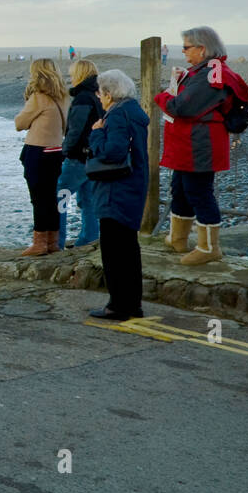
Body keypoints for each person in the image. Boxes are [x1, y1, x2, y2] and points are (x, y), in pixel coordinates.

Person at [154, 26, 248, 266]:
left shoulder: (212, 75)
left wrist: (163, 97)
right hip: (190, 143)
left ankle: (209, 247)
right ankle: (178, 238)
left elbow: (182, 107)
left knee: (198, 191)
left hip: (200, 144)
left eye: (187, 47)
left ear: (203, 48)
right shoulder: (203, 72)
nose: (183, 51)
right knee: (180, 188)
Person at [86, 70, 150, 319]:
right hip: (132, 186)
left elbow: (112, 152)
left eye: (100, 93)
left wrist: (96, 132)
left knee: (114, 250)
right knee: (128, 248)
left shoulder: (118, 115)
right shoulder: (133, 111)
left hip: (116, 189)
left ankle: (119, 305)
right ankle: (131, 303)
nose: (99, 97)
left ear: (109, 94)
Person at [14, 58, 70, 255]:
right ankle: (52, 242)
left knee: (38, 198)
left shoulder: (39, 97)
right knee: (50, 198)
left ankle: (39, 243)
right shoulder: (63, 96)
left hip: (38, 151)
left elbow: (19, 123)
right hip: (56, 151)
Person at [57, 59, 103, 249]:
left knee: (59, 196)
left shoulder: (83, 98)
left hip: (78, 158)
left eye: (72, 73)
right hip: (94, 156)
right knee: (89, 200)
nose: (71, 77)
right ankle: (89, 239)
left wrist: (66, 151)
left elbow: (75, 130)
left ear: (80, 74)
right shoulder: (98, 94)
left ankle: (56, 241)